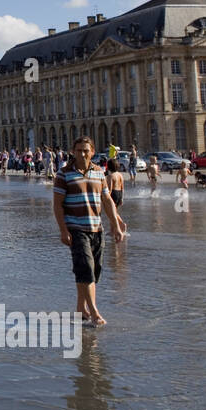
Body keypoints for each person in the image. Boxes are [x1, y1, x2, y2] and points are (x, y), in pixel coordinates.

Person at [53, 136, 126, 327]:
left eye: (86, 150)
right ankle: (94, 312)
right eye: (79, 150)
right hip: (76, 229)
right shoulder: (63, 174)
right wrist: (63, 230)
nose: (83, 153)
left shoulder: (99, 173)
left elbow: (108, 201)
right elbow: (57, 206)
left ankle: (80, 309)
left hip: (96, 228)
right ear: (73, 151)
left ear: (92, 152)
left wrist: (116, 225)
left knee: (91, 271)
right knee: (86, 269)